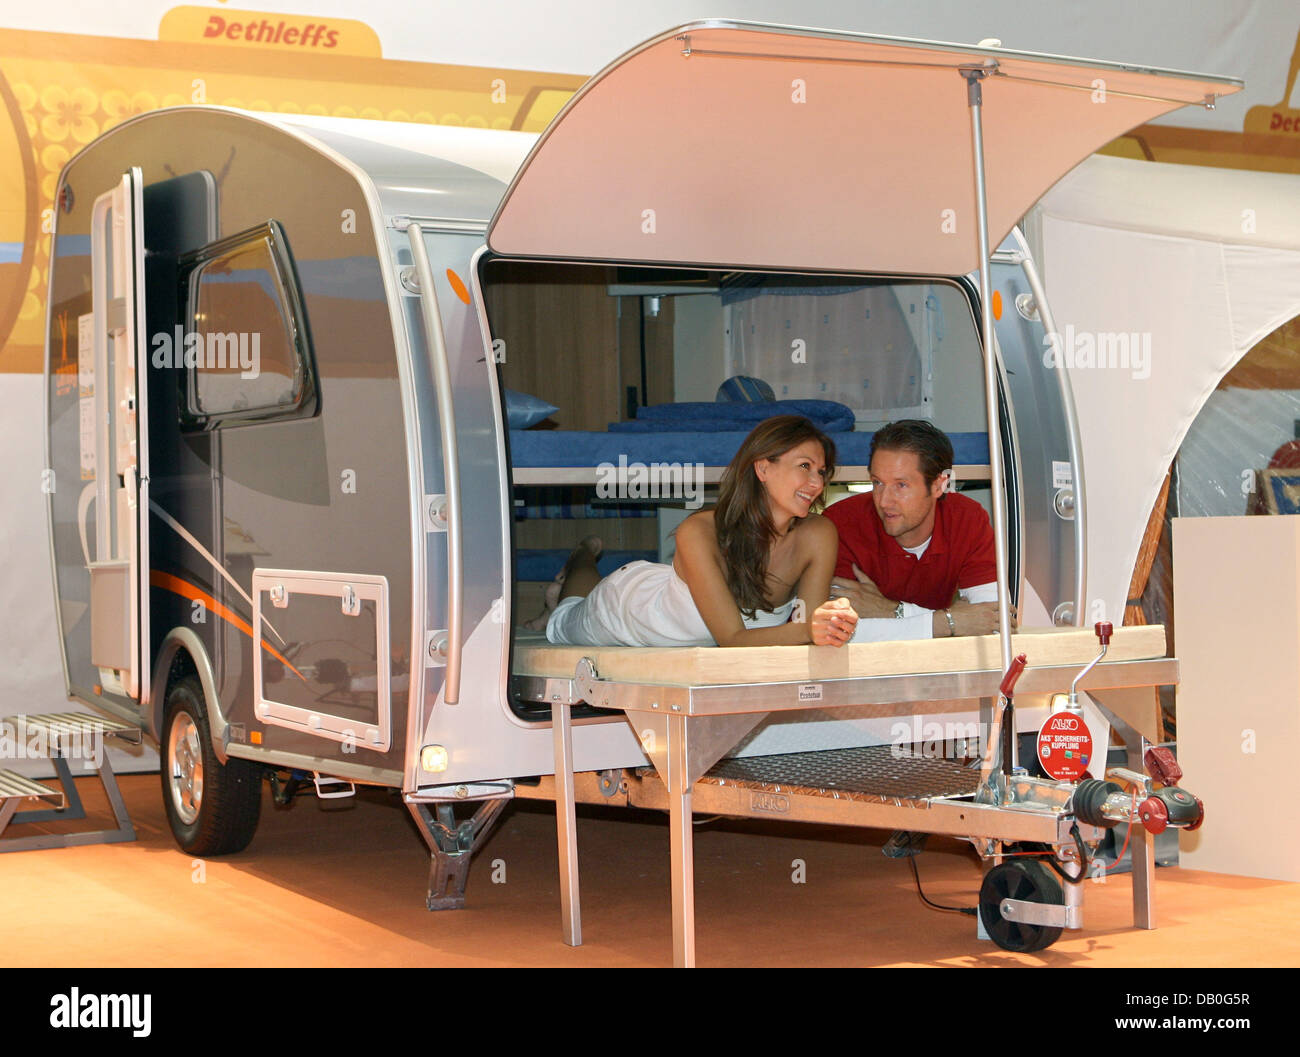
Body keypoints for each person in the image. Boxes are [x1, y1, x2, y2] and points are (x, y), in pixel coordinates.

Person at [545, 415, 858, 648]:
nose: (816, 483)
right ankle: (581, 557)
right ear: (762, 468)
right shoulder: (699, 531)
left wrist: (830, 624)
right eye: (804, 466)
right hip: (628, 612)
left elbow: (810, 630)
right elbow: (733, 640)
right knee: (563, 620)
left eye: (821, 471)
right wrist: (809, 630)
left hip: (674, 598)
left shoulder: (819, 534)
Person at [823, 419, 1009, 641]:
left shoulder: (967, 519)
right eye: (877, 482)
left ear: (939, 485)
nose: (883, 501)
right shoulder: (841, 523)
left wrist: (891, 611)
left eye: (901, 485)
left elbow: (997, 624)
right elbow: (835, 633)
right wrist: (950, 622)